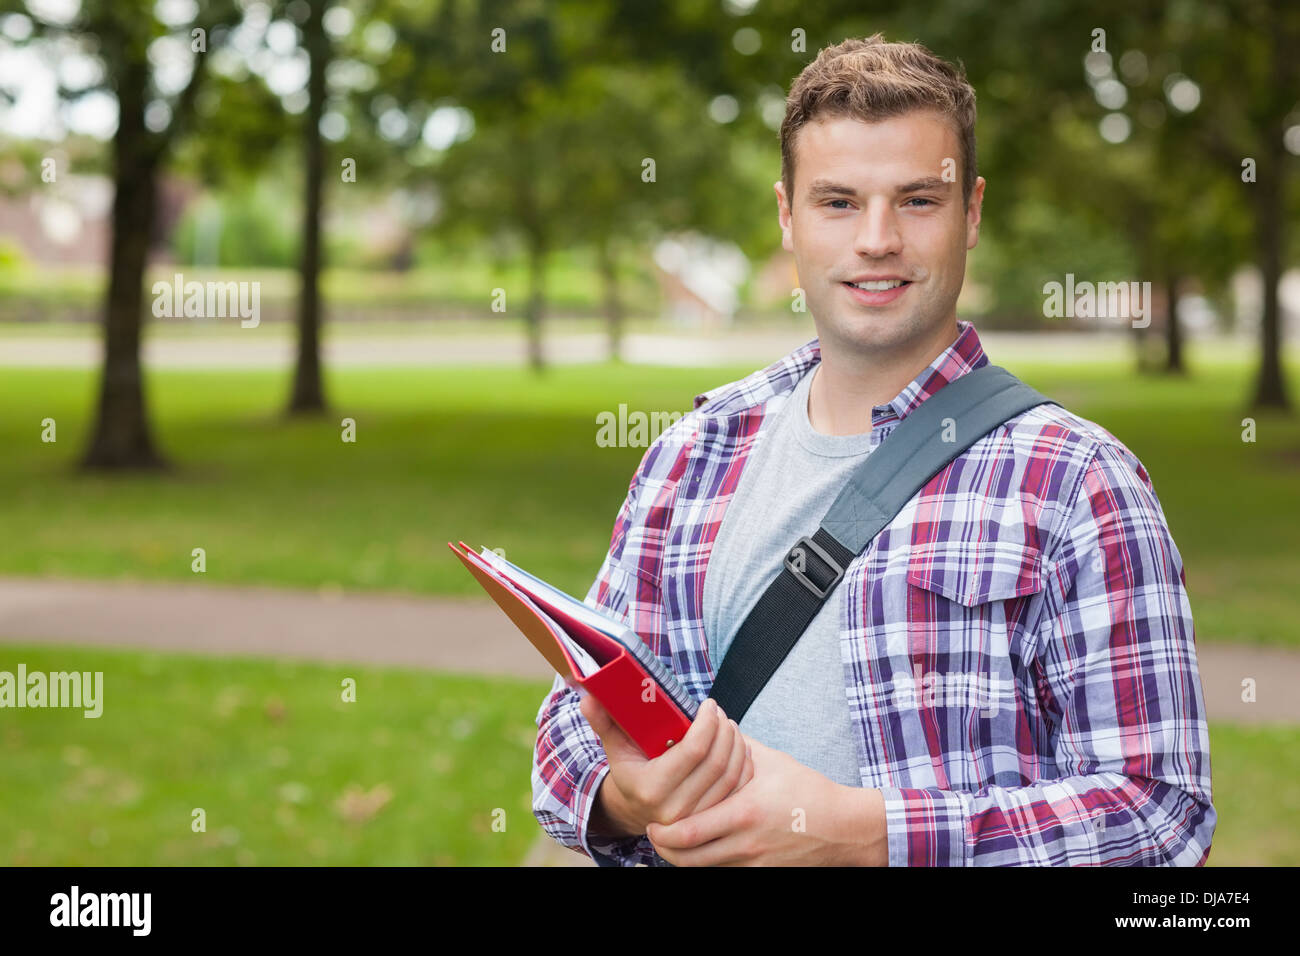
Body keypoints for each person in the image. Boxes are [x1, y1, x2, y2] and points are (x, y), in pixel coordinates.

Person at [531, 34, 1214, 866]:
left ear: (973, 212)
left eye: (919, 201)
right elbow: (572, 732)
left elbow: (1159, 817)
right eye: (839, 202)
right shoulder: (691, 453)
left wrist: (870, 836)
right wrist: (623, 796)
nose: (878, 239)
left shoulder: (1077, 480)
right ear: (788, 216)